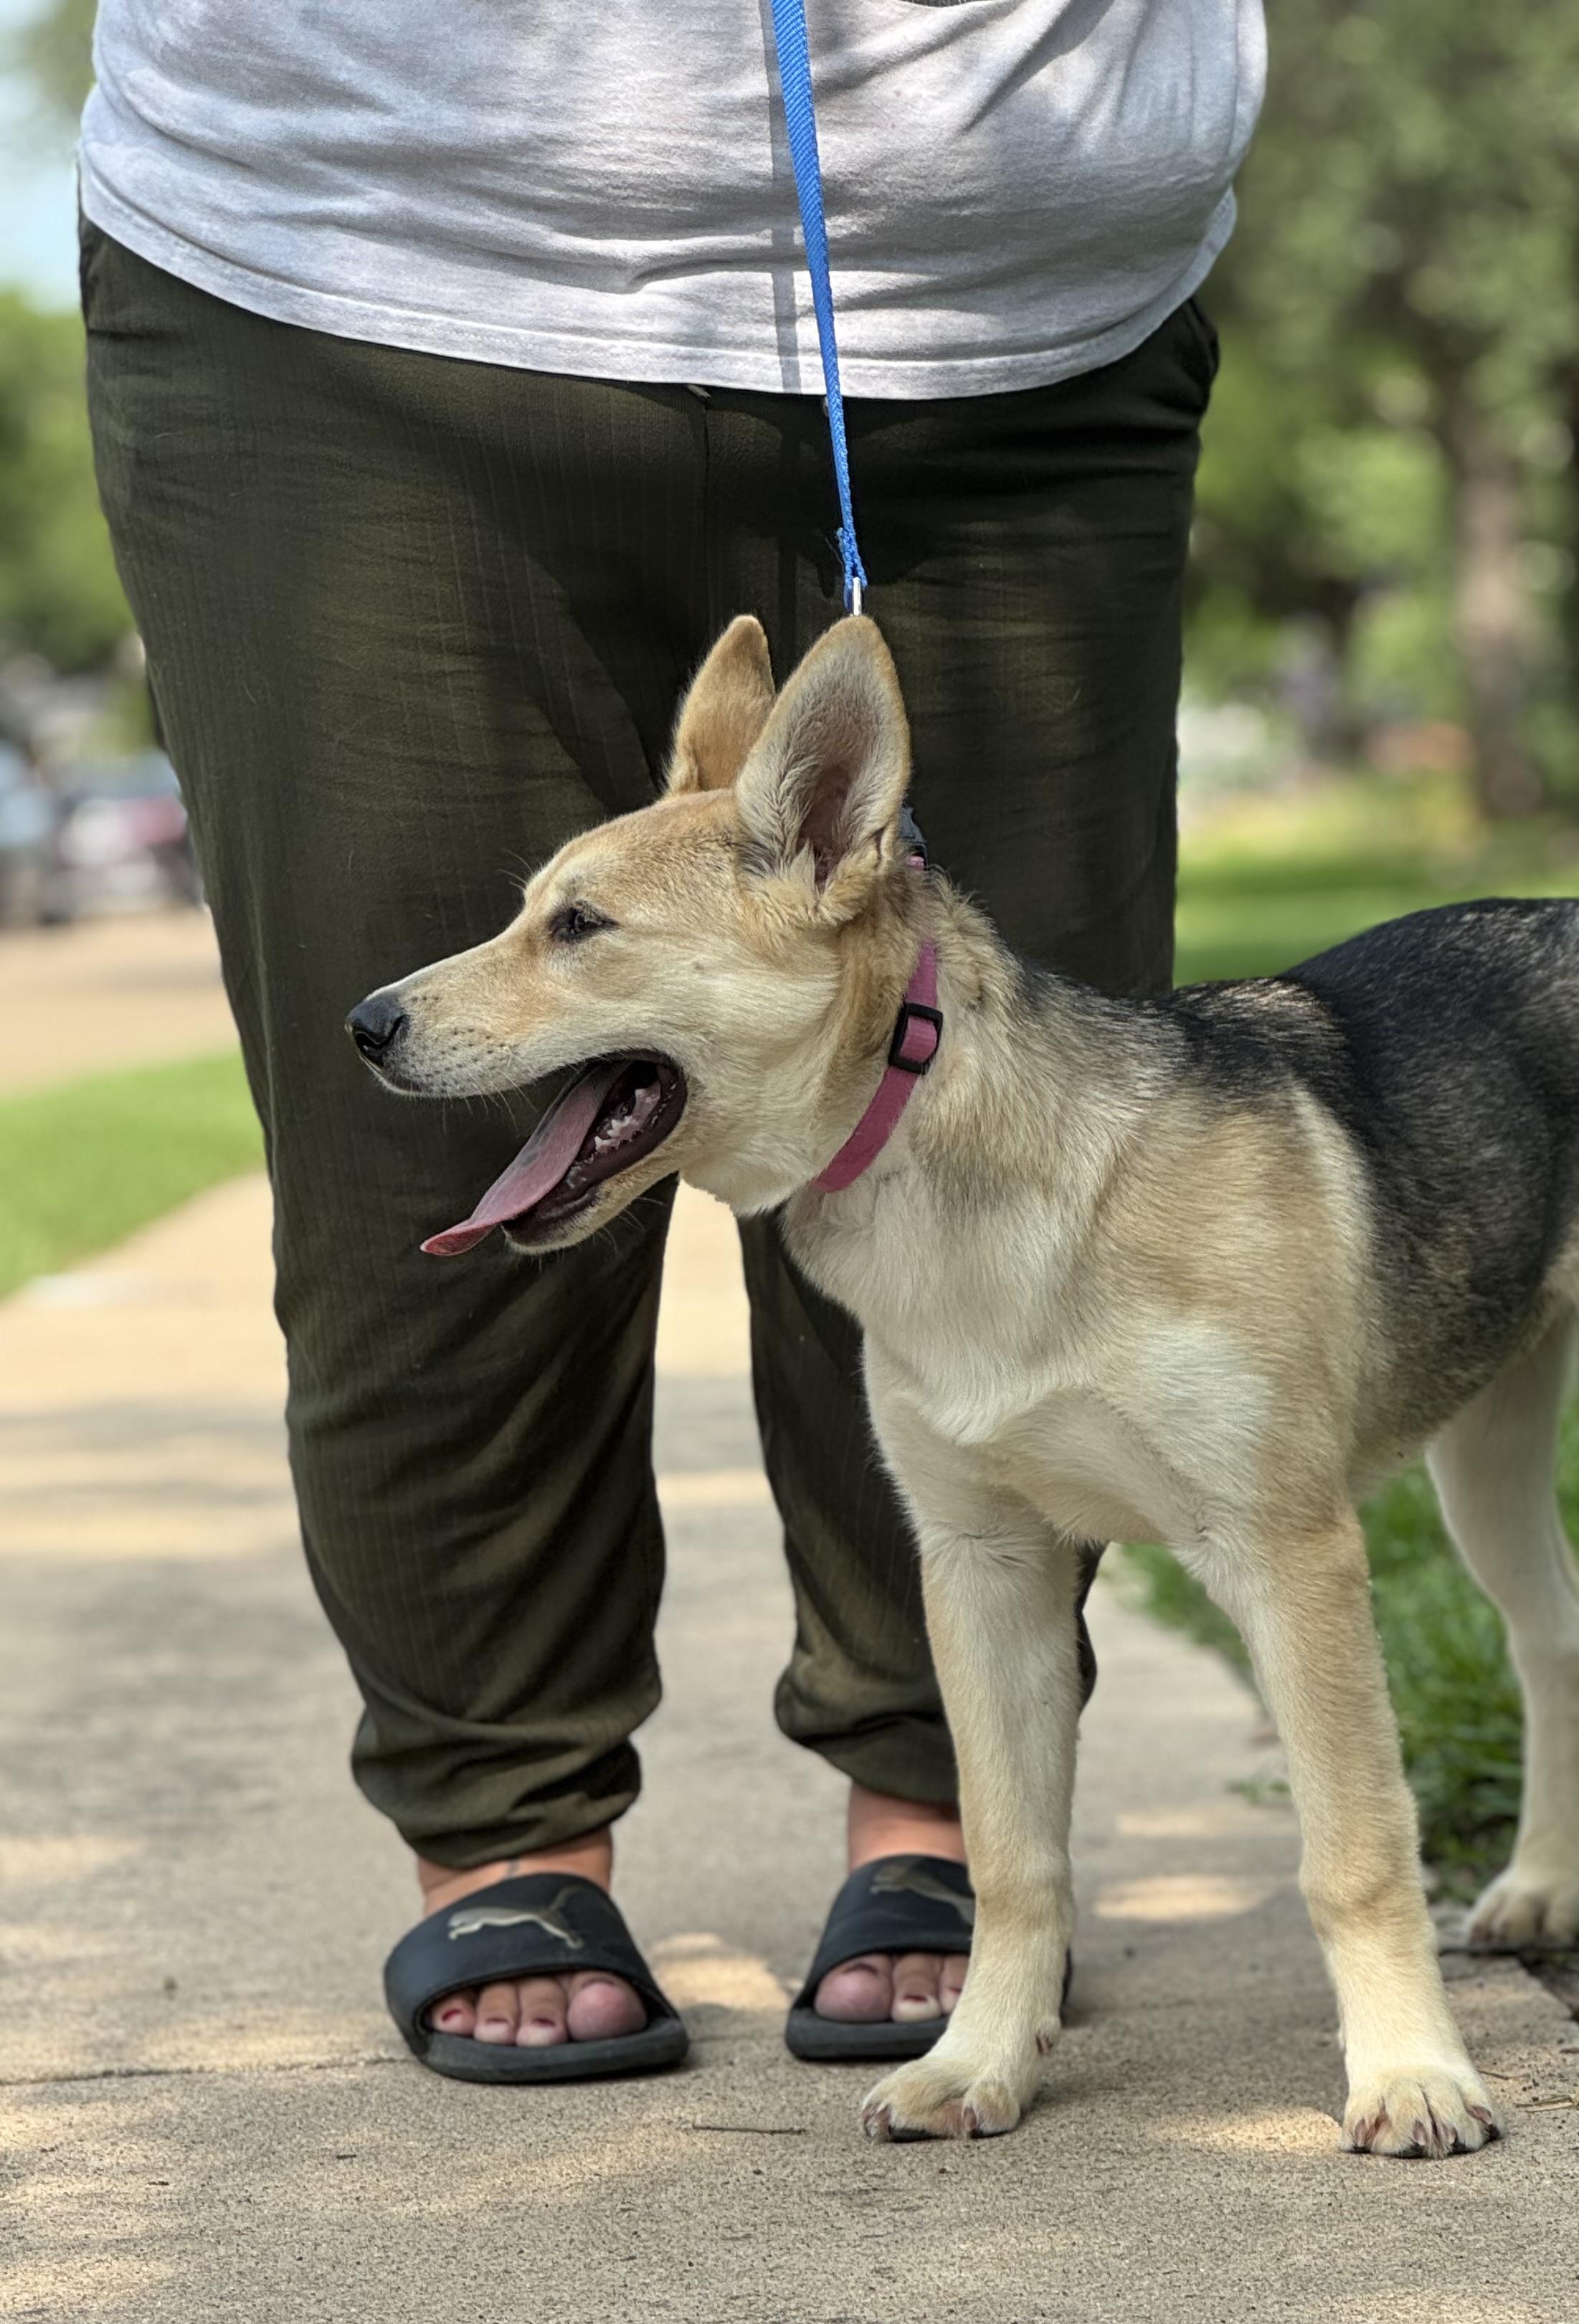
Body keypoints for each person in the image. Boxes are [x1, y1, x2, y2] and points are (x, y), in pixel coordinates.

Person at [77, 1, 1264, 2079]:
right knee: (442, 1119)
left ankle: (959, 1812)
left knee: (1000, 1130)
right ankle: (505, 1819)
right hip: (354, 267)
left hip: (1013, 304)